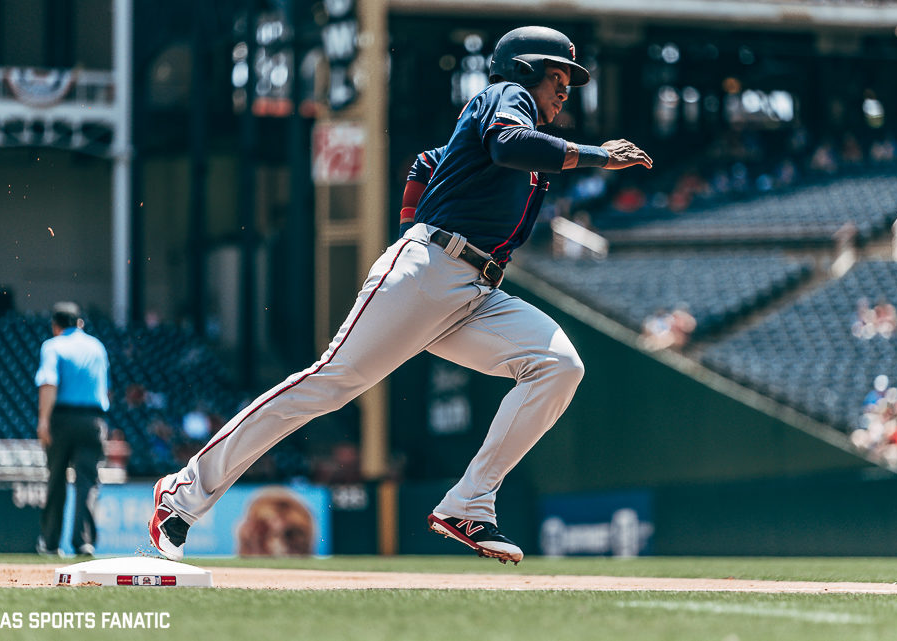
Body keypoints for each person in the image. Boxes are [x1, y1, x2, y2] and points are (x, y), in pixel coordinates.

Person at [149, 25, 651, 565]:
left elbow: (427, 163)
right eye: (559, 76)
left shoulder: (514, 123)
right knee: (327, 385)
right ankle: (181, 494)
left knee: (558, 365)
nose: (565, 90)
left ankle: (469, 504)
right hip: (431, 269)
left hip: (477, 290)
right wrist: (418, 240)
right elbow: (507, 144)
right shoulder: (508, 97)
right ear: (527, 70)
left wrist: (417, 223)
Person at [35, 302, 110, 557]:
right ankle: (83, 541)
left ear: (56, 326)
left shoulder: (52, 346)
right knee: (87, 483)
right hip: (93, 421)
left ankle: (51, 542)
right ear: (80, 323)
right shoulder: (97, 347)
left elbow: (48, 383)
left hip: (62, 420)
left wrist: (43, 421)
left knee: (56, 479)